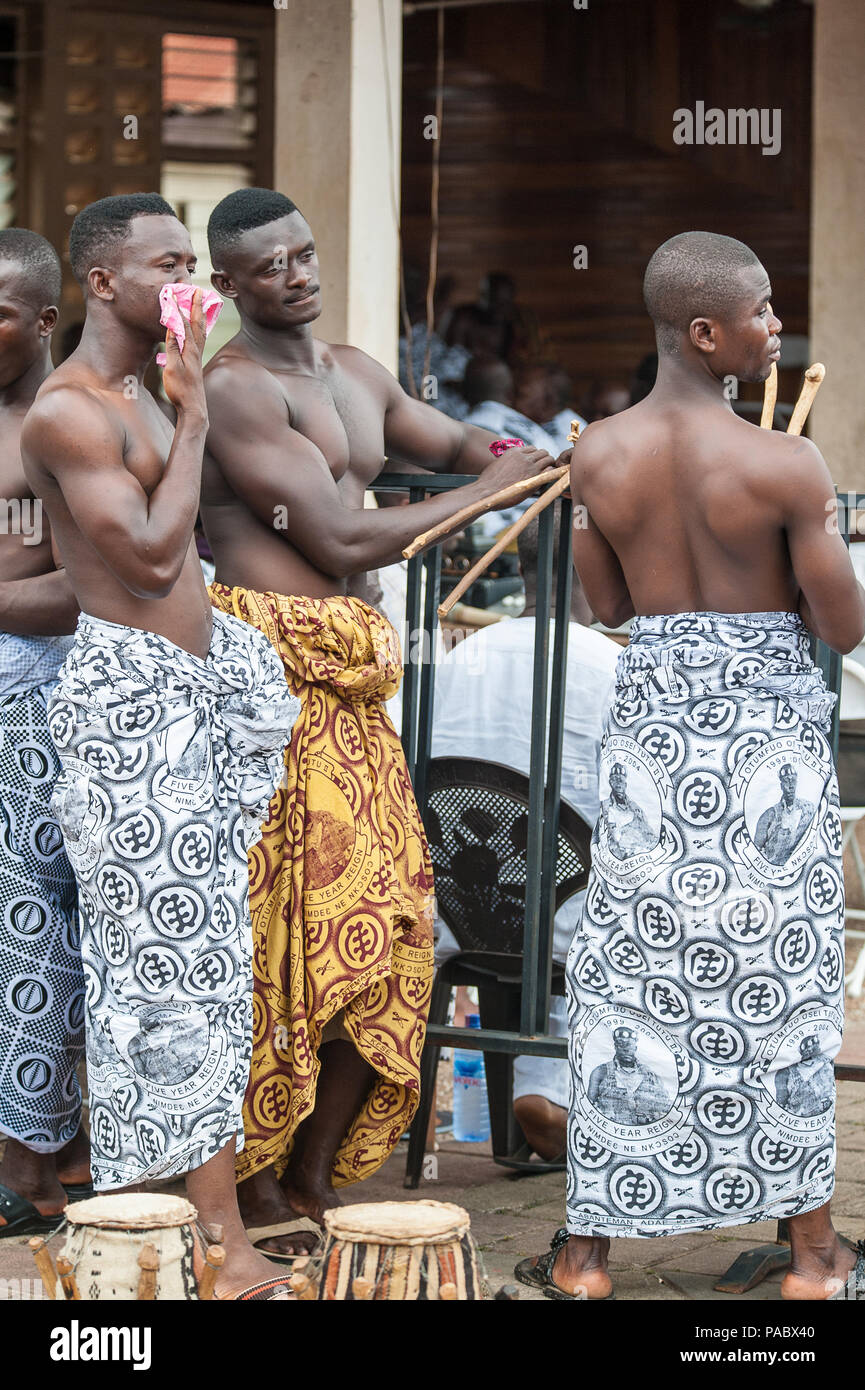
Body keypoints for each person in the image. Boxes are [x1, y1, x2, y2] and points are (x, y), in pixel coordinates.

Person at [200, 187, 556, 1258]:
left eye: (305, 255)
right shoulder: (233, 390)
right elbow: (344, 539)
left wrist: (520, 459)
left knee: (396, 927)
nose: (296, 274)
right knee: (293, 941)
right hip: (272, 680)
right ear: (227, 286)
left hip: (355, 692)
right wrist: (495, 493)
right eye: (270, 266)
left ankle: (312, 1172)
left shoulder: (353, 371)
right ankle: (257, 1184)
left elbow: (453, 442)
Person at [517, 230, 865, 1303]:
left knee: (634, 981)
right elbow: (843, 623)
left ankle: (583, 1257)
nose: (774, 328)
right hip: (764, 752)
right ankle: (811, 1257)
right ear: (705, 332)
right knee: (782, 984)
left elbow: (604, 605)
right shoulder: (783, 462)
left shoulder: (598, 451)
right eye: (761, 311)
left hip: (654, 748)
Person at [21, 193, 302, 1301]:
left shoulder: (145, 388)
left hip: (192, 699)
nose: (195, 283)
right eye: (169, 264)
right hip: (129, 711)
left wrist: (181, 401)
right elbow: (141, 561)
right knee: (159, 978)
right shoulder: (71, 411)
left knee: (204, 970)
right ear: (101, 283)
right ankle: (208, 1240)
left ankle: (177, 1225)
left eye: (196, 263)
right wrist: (192, 417)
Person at [432, 507, 620, 1159]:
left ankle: (536, 1095)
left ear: (518, 568)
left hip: (453, 921)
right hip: (569, 930)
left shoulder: (451, 659)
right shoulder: (613, 668)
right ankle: (566, 1092)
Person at [0, 229, 92, 1240]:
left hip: (39, 703)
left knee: (32, 926)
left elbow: (86, 587)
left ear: (43, 320)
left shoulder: (59, 425)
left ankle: (32, 1161)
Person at [514, 362, 586, 456]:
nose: (521, 388)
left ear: (550, 397)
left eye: (527, 382)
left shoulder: (572, 431)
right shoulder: (519, 422)